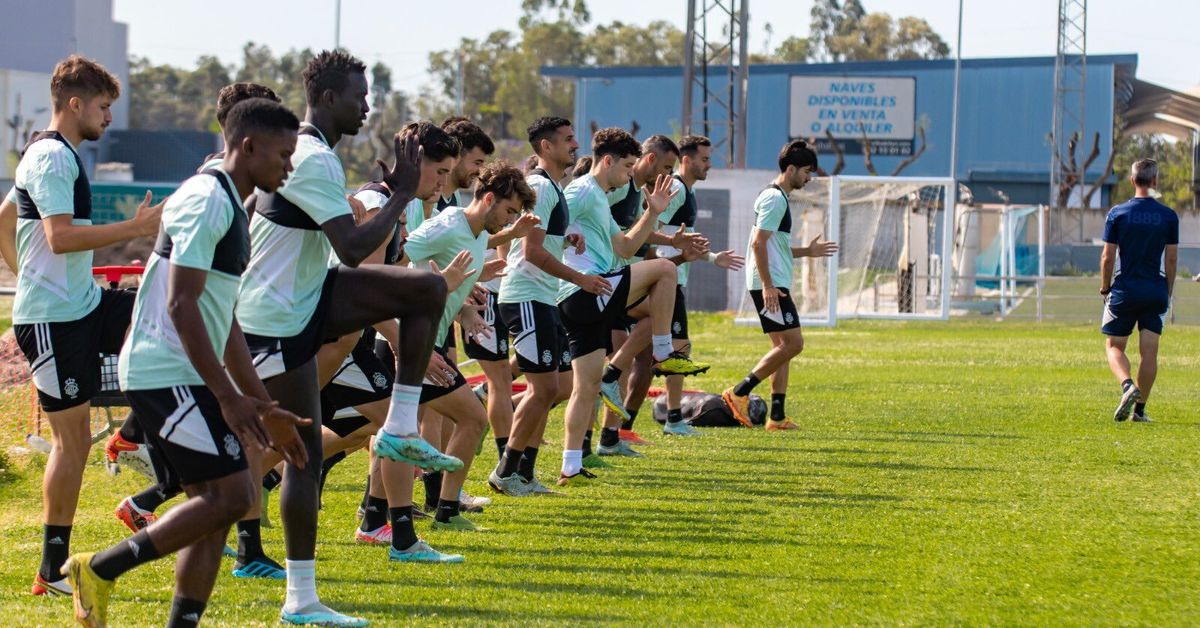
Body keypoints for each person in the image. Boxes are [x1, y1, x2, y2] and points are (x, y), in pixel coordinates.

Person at [62, 97, 311, 628]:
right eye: (283, 155)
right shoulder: (207, 199)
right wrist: (228, 397)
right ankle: (98, 568)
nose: (289, 167)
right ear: (248, 147)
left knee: (215, 513)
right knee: (233, 495)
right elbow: (181, 304)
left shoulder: (230, 202)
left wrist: (262, 406)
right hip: (164, 371)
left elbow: (225, 323)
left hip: (188, 371)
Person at [235, 50, 454, 627]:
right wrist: (404, 193)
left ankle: (400, 428)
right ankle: (299, 599)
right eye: (360, 96)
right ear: (328, 98)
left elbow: (346, 249)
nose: (368, 105)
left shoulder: (316, 155)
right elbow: (353, 248)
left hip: (305, 299)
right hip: (274, 317)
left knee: (424, 291)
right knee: (300, 459)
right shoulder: (310, 157)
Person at [5, 55, 163, 597]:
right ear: (75, 104)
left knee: (162, 314)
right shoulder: (51, 159)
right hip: (54, 321)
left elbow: (4, 222)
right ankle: (51, 572)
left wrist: (27, 272)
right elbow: (60, 238)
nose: (108, 118)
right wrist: (137, 226)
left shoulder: (53, 154)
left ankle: (131, 437)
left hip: (84, 305)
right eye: (103, 107)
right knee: (71, 443)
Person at [555, 127, 708, 486]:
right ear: (606, 161)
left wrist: (653, 214)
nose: (629, 174)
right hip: (587, 290)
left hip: (586, 295)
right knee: (665, 270)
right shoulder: (581, 190)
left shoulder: (598, 195)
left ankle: (570, 466)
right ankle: (661, 351)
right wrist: (562, 241)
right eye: (626, 166)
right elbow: (542, 224)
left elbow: (624, 247)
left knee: (585, 388)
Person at [401, 159, 539, 529]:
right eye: (508, 211)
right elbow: (397, 258)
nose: (509, 220)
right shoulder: (447, 226)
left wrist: (463, 310)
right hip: (409, 340)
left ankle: (405, 510)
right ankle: (442, 510)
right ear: (489, 198)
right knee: (471, 418)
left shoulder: (477, 233)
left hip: (424, 339)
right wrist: (407, 334)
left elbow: (448, 273)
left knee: (366, 430)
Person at [489, 116, 606, 495]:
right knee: (542, 390)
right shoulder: (540, 185)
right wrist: (581, 279)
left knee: (557, 386)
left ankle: (525, 472)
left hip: (542, 298)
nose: (576, 146)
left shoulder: (554, 186)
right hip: (526, 297)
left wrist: (565, 238)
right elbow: (532, 252)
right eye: (569, 140)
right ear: (546, 147)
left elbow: (541, 243)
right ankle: (506, 471)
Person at [722, 140, 837, 430]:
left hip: (772, 282)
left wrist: (806, 252)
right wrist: (768, 286)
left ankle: (776, 416)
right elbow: (757, 244)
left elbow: (774, 246)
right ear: (791, 169)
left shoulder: (777, 197)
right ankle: (738, 393)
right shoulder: (774, 199)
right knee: (794, 344)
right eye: (807, 172)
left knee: (781, 350)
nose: (809, 178)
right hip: (770, 285)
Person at [1099, 158, 1178, 423]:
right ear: (1155, 181)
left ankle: (1126, 386)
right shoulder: (1169, 216)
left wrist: (1104, 287)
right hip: (1155, 289)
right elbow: (1171, 260)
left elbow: (1107, 257)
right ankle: (1140, 411)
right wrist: (1166, 291)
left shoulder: (1117, 213)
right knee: (1149, 352)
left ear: (1132, 180)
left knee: (1114, 346)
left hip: (1125, 288)